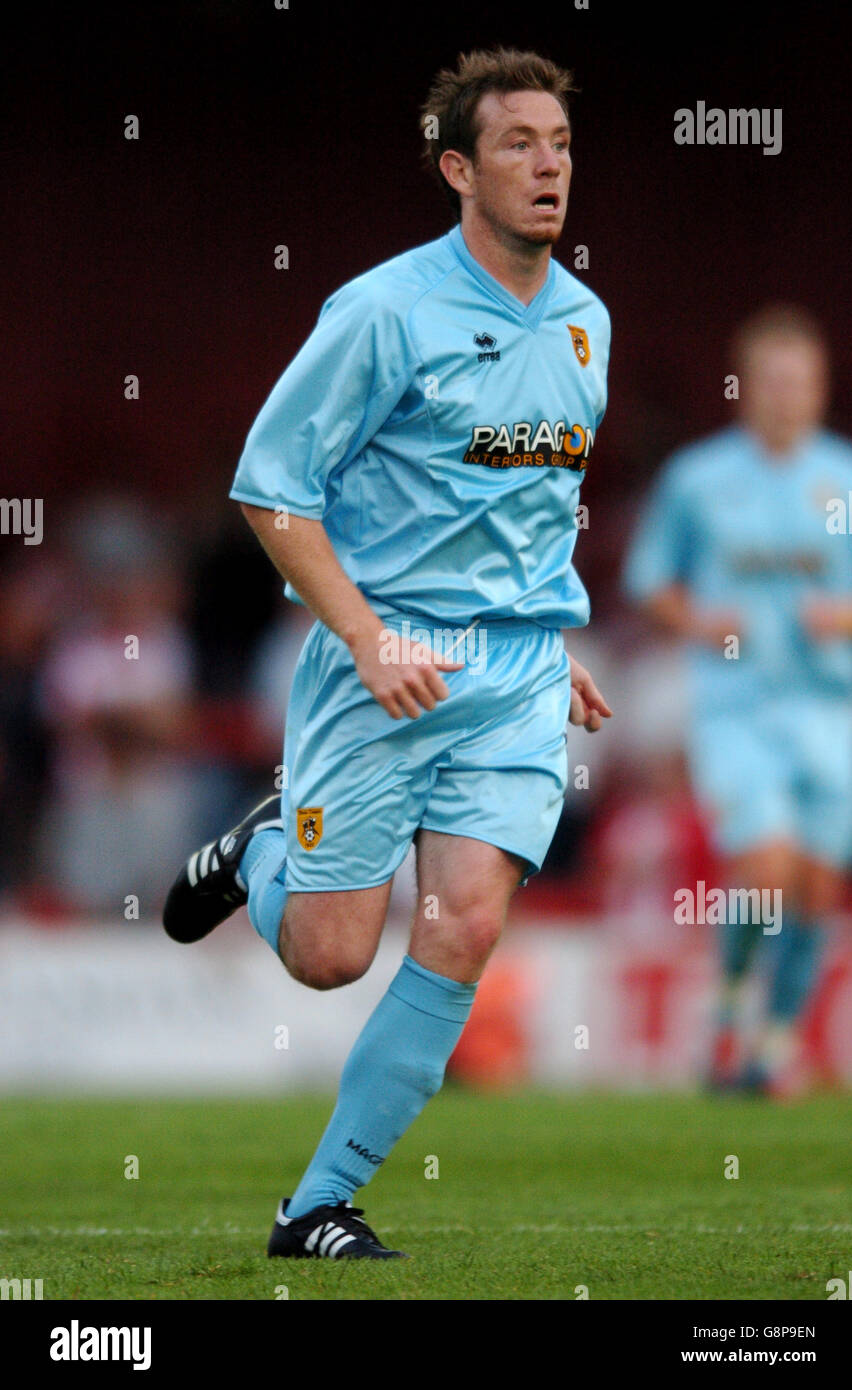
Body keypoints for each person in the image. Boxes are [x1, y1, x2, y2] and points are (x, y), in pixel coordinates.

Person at [163, 46, 611, 1259]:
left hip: (513, 673)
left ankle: (316, 1206)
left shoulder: (584, 323)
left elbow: (524, 510)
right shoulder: (379, 311)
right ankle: (261, 851)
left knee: (462, 927)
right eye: (517, 144)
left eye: (559, 143)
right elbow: (270, 491)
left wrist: (542, 638)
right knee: (327, 956)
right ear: (457, 168)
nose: (547, 165)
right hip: (381, 665)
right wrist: (365, 636)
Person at [624, 305, 852, 1095]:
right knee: (762, 865)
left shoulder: (849, 480)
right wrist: (699, 618)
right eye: (772, 380)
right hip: (738, 704)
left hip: (830, 707)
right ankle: (728, 1012)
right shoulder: (699, 480)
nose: (787, 395)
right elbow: (649, 582)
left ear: (820, 388)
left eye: (801, 381)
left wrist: (845, 615)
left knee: (819, 882)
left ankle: (776, 1041)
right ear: (745, 387)